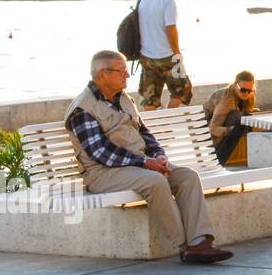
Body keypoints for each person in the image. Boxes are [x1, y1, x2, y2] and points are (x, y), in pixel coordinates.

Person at [66, 50, 233, 262]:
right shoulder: (83, 108)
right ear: (102, 74)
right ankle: (186, 246)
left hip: (136, 166)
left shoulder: (122, 98)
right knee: (155, 181)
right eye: (122, 72)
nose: (127, 77)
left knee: (187, 177)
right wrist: (146, 162)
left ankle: (201, 241)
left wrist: (159, 156)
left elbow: (144, 133)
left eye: (127, 72)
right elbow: (101, 153)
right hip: (102, 173)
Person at [137, 0, 192, 110]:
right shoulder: (168, 1)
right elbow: (171, 29)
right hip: (167, 56)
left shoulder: (144, 0)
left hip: (147, 56)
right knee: (181, 90)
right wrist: (177, 52)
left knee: (150, 97)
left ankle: (153, 129)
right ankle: (168, 121)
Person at [203, 71, 258, 166]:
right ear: (235, 85)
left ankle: (237, 156)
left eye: (250, 90)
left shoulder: (248, 97)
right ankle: (218, 158)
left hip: (220, 126)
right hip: (204, 129)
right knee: (237, 118)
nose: (246, 93)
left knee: (247, 120)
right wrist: (230, 130)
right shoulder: (227, 100)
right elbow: (213, 128)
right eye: (243, 90)